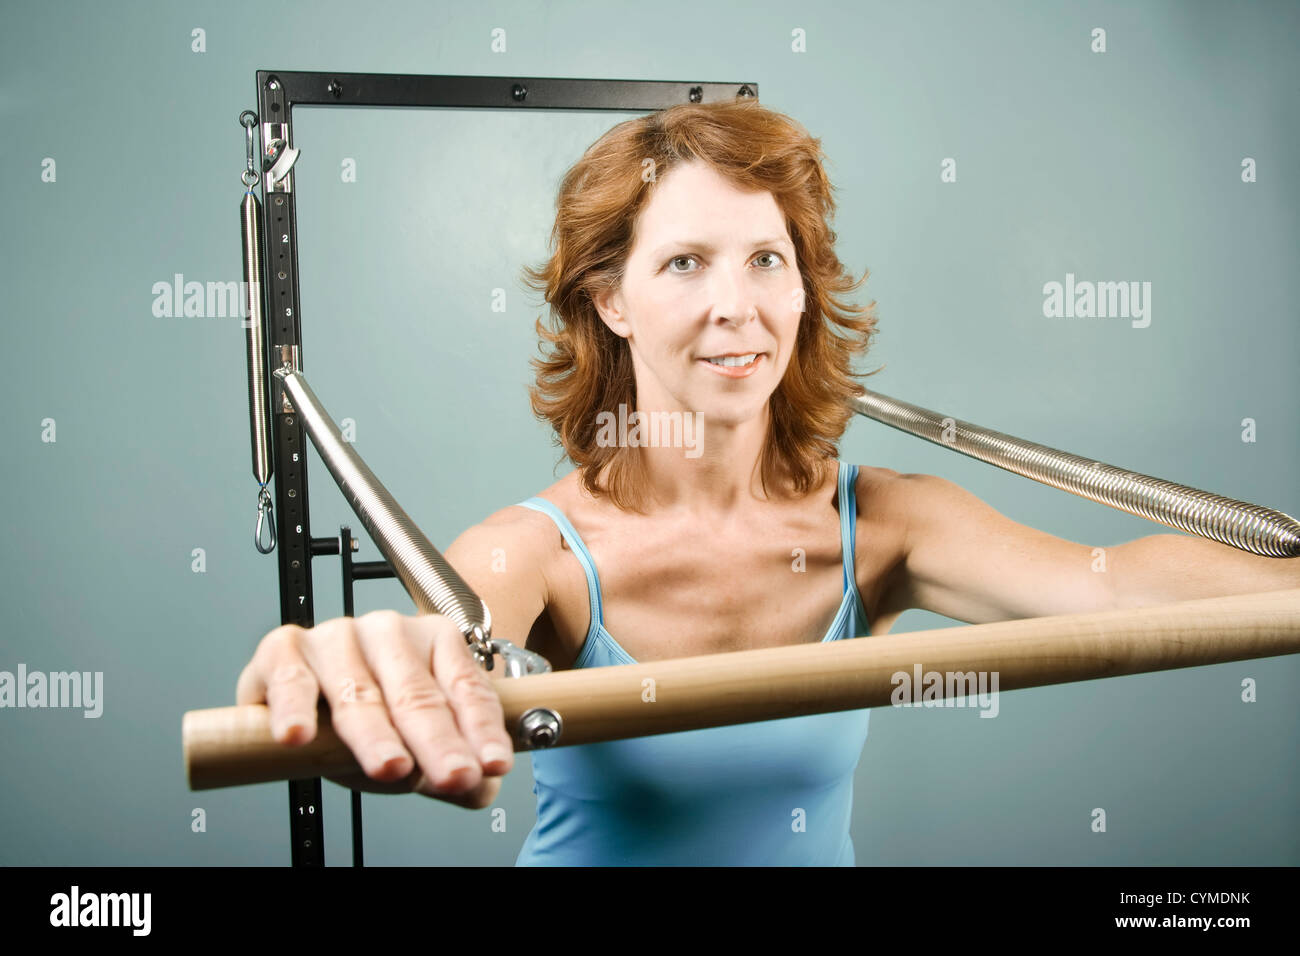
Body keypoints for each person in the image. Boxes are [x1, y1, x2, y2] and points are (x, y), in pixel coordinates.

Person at [236, 99, 1299, 865]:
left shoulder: (885, 521)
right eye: (685, 262)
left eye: (766, 258)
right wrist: (356, 669)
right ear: (611, 300)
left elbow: (1112, 587)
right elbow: (443, 632)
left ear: (801, 288)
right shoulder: (542, 549)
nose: (736, 305)